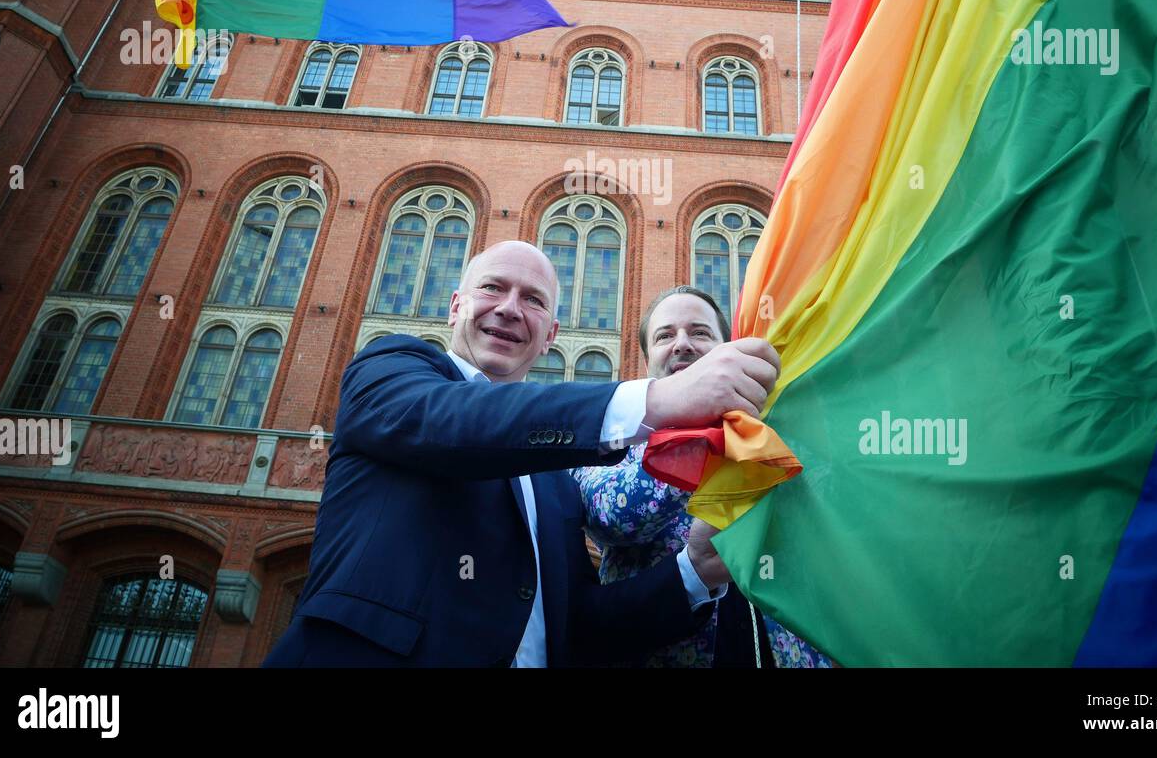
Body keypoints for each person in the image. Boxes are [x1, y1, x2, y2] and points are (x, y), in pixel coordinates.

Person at [263, 241, 780, 667]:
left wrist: (697, 570)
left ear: (550, 336)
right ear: (455, 307)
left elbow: (581, 620)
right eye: (493, 288)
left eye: (533, 300)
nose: (510, 308)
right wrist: (661, 398)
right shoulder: (392, 369)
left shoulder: (555, 479)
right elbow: (456, 420)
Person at [573, 285, 833, 668]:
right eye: (665, 335)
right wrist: (703, 431)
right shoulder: (613, 447)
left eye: (700, 333)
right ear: (647, 365)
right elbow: (615, 518)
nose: (682, 344)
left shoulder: (771, 439)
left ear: (725, 351)